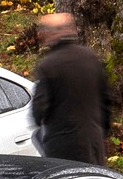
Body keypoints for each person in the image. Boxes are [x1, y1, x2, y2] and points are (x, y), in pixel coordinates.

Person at [28, 11, 112, 164]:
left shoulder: (48, 65)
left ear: (51, 34)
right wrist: (101, 131)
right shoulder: (91, 57)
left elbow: (39, 109)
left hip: (63, 146)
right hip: (93, 140)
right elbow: (105, 100)